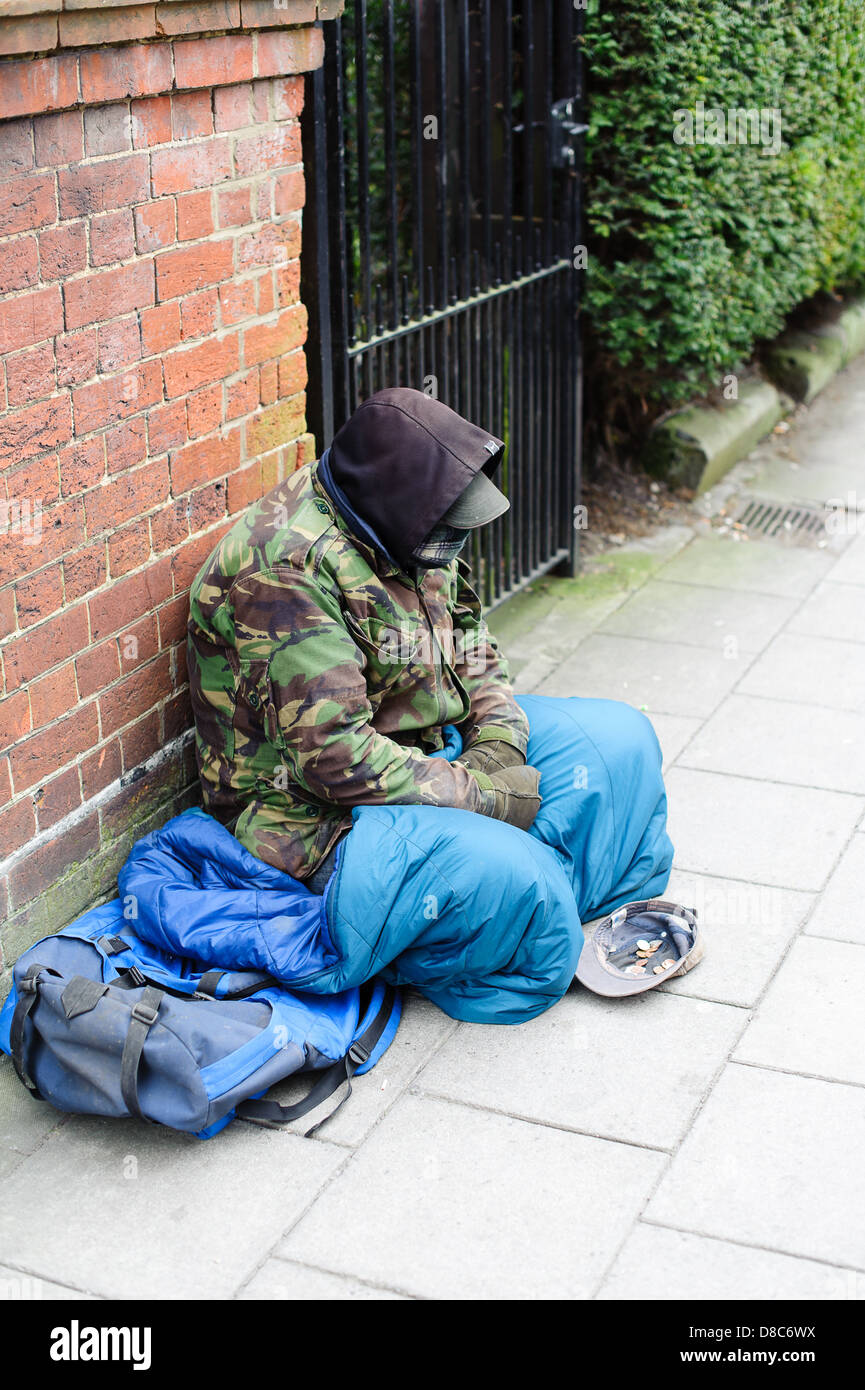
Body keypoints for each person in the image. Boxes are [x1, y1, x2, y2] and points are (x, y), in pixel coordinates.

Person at [187, 387, 673, 949]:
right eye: (450, 528)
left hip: (422, 750)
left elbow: (470, 637)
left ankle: (548, 900)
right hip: (311, 817)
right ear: (404, 509)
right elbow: (335, 756)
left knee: (624, 742)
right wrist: (482, 798)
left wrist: (499, 737)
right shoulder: (285, 575)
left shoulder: (404, 522)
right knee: (509, 876)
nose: (457, 542)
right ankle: (536, 909)